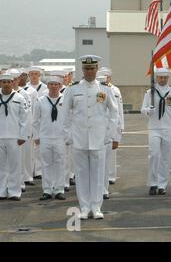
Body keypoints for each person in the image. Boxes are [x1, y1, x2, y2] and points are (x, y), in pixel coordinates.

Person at [62, 55, 119, 220]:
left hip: (99, 139)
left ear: (97, 69)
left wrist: (109, 134)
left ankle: (96, 206)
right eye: (86, 69)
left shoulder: (105, 89)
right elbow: (64, 115)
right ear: (82, 70)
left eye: (92, 68)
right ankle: (85, 207)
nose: (89, 72)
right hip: (79, 138)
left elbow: (114, 113)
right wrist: (68, 136)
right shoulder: (72, 89)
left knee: (98, 174)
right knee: (81, 175)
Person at [141, 68, 171, 196]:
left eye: (165, 77)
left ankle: (162, 185)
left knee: (166, 157)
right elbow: (142, 109)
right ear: (156, 78)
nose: (162, 80)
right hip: (154, 127)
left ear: (168, 78)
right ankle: (152, 183)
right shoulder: (150, 93)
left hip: (168, 128)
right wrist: (148, 110)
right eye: (160, 77)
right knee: (154, 155)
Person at [33, 76, 66, 200]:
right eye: (51, 84)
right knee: (46, 164)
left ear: (60, 86)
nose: (53, 86)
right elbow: (35, 120)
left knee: (60, 163)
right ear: (47, 86)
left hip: (60, 137)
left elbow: (70, 119)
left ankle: (59, 189)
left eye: (56, 84)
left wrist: (68, 136)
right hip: (45, 136)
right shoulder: (41, 100)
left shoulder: (65, 100)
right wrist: (36, 136)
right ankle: (47, 189)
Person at [0, 73, 28, 201]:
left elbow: (24, 118)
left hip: (14, 137)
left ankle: (14, 192)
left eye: (8, 82)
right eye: (3, 82)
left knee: (15, 166)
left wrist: (22, 135)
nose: (6, 84)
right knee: (1, 166)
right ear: (1, 83)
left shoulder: (19, 98)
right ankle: (1, 191)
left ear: (12, 83)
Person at [98, 67, 124, 195]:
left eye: (107, 76)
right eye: (103, 77)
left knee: (109, 157)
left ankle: (110, 177)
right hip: (98, 129)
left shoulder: (115, 90)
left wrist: (120, 130)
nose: (105, 79)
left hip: (111, 127)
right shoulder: (97, 91)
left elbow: (119, 112)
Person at [17, 70, 38, 187]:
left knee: (28, 153)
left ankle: (28, 176)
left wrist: (33, 128)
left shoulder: (31, 91)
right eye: (20, 76)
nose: (22, 77)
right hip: (14, 128)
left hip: (28, 125)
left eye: (24, 75)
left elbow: (33, 110)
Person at [27, 66, 48, 180]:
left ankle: (39, 170)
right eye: (32, 74)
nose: (34, 76)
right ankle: (30, 171)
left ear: (39, 75)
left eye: (36, 74)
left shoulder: (45, 88)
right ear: (29, 75)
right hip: (30, 119)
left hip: (42, 120)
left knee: (39, 146)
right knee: (29, 147)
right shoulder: (26, 88)